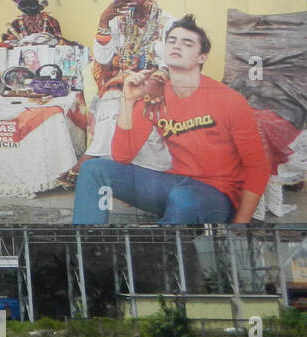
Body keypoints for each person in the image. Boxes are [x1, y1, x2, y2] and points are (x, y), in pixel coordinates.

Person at [72, 15, 272, 225]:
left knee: (184, 198)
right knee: (93, 170)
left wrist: (240, 223)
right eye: (172, 41)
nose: (177, 46)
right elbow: (122, 156)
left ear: (201, 57)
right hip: (174, 184)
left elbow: (258, 167)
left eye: (187, 43)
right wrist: (128, 100)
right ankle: (87, 247)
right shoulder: (154, 96)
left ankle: (160, 252)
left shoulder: (229, 100)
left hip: (217, 196)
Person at [63, 0, 176, 184]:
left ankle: (94, 157)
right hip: (123, 83)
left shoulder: (169, 23)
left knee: (116, 93)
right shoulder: (119, 21)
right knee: (114, 94)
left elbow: (171, 64)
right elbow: (103, 59)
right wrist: (104, 20)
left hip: (157, 83)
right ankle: (104, 160)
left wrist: (150, 78)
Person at [0, 0, 72, 47]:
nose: (29, 7)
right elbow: (9, 37)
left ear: (40, 5)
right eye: (25, 4)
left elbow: (58, 37)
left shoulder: (50, 20)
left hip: (47, 49)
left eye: (32, 3)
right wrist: (19, 41)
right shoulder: (17, 22)